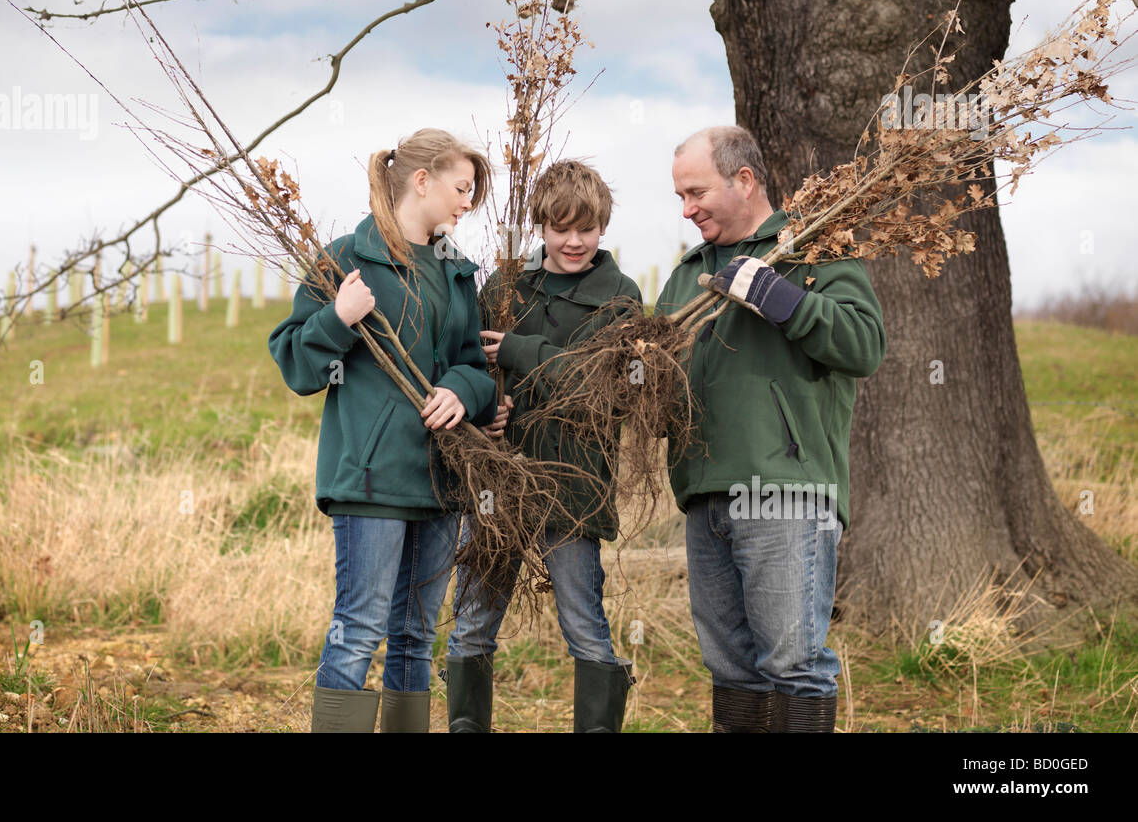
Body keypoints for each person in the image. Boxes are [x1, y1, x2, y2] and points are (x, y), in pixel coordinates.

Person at [267, 128, 499, 733]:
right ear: (422, 181)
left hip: (441, 481)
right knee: (359, 630)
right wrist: (337, 319)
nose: (467, 202)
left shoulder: (456, 273)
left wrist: (462, 393)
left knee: (416, 638)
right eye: (461, 187)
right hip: (370, 481)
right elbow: (296, 363)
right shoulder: (345, 257)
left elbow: (475, 366)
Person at [655, 126, 886, 733]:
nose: (687, 209)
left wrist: (780, 298)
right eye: (680, 196)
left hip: (785, 489)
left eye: (697, 192)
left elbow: (864, 346)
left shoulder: (811, 247)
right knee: (731, 669)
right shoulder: (686, 275)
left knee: (793, 665)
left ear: (745, 180)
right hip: (705, 494)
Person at [444, 159, 641, 733]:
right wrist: (487, 416)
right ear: (540, 227)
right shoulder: (506, 287)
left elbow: (604, 388)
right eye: (560, 228)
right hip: (497, 483)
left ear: (602, 226)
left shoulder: (620, 299)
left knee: (583, 621)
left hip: (573, 485)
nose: (573, 241)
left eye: (586, 228)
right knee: (474, 620)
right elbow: (470, 369)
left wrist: (519, 351)